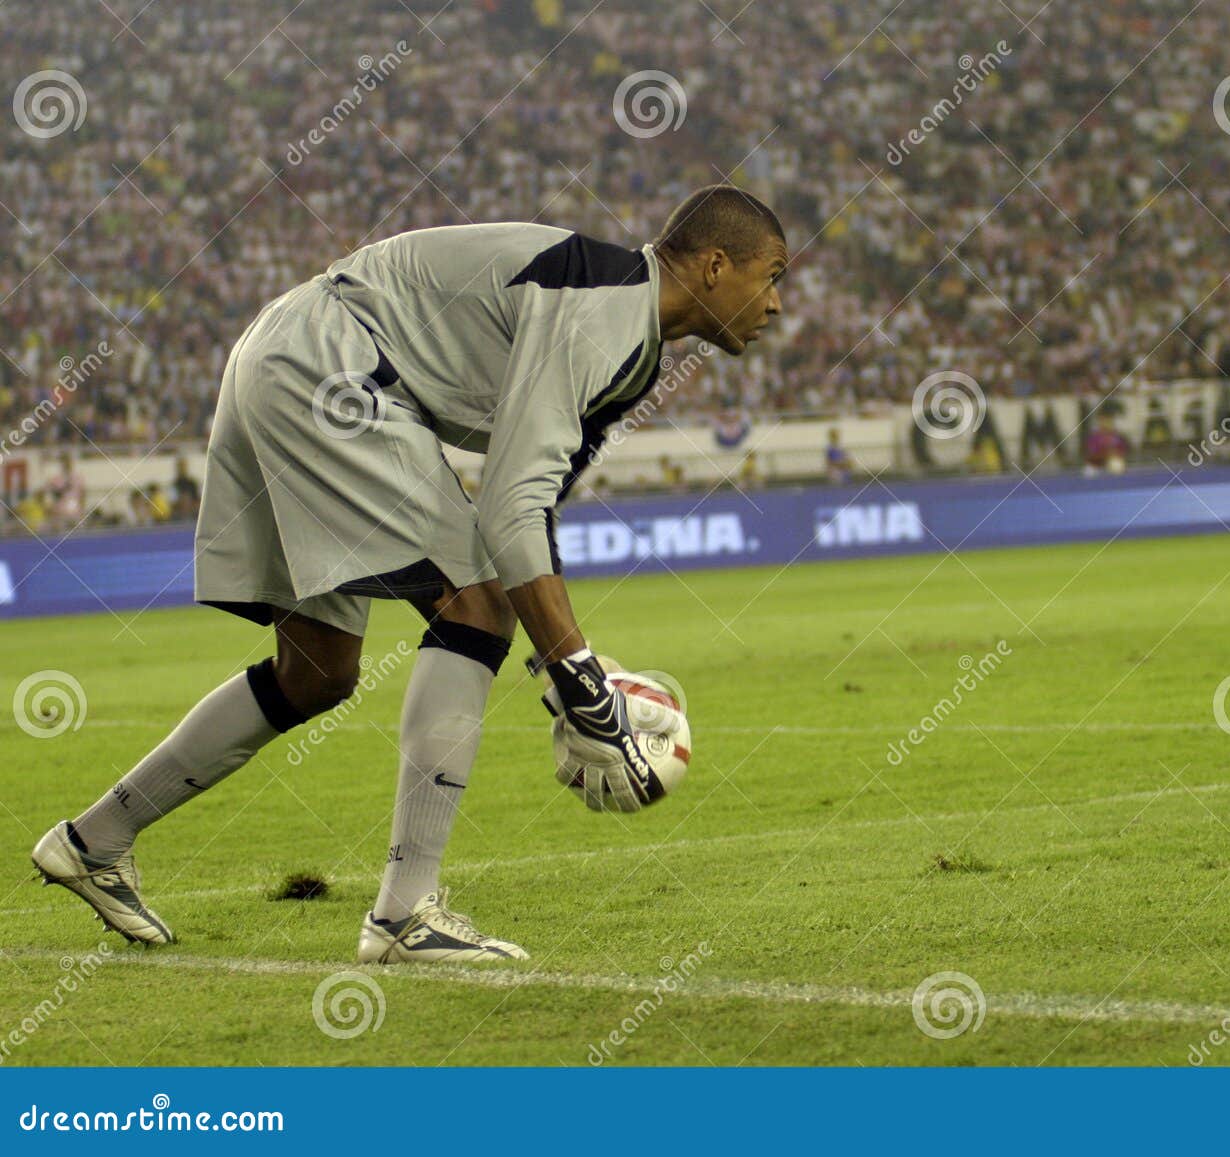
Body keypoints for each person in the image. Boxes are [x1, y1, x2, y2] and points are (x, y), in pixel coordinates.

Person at [32, 185, 787, 964]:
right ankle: (402, 916)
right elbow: (511, 510)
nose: (775, 303)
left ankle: (95, 839)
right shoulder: (606, 311)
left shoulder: (627, 341)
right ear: (714, 266)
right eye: (771, 276)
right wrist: (583, 678)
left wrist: (560, 670)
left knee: (316, 672)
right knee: (476, 607)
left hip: (286, 355)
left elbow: (527, 510)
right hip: (331, 370)